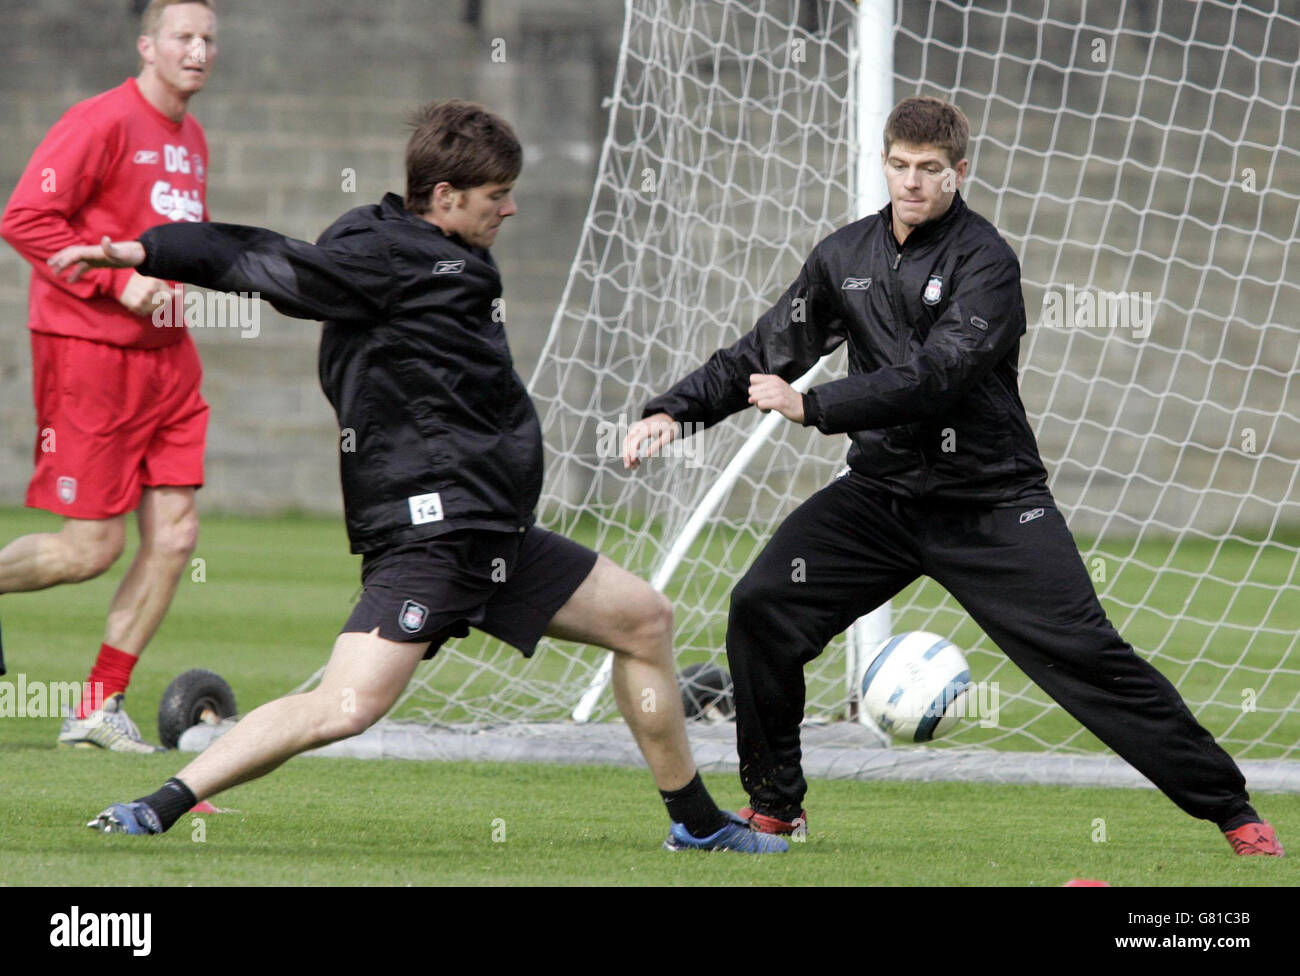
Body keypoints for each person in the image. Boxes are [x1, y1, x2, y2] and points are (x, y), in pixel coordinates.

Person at [52, 100, 786, 854]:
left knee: (644, 620)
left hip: (491, 532)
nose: (511, 206)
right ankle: (159, 804)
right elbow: (267, 261)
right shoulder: (389, 258)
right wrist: (147, 250)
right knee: (343, 705)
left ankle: (696, 824)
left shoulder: (438, 250)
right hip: (433, 534)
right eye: (496, 195)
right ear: (445, 198)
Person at [621, 96, 1283, 857]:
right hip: (882, 497)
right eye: (899, 166)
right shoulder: (844, 257)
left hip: (991, 505)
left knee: (1087, 657)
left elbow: (939, 374)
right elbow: (760, 351)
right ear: (885, 164)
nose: (912, 183)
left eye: (930, 170)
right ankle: (774, 807)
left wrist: (815, 405)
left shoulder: (987, 263)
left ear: (959, 172)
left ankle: (1233, 812)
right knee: (764, 606)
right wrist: (676, 412)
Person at [0, 0, 219, 751]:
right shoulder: (99, 121)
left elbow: (179, 246)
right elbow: (25, 218)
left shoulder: (193, 139)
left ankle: (96, 704)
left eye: (207, 39)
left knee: (176, 536)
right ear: (147, 46)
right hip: (91, 354)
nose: (197, 50)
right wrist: (116, 285)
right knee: (90, 550)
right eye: (182, 37)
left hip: (169, 359)